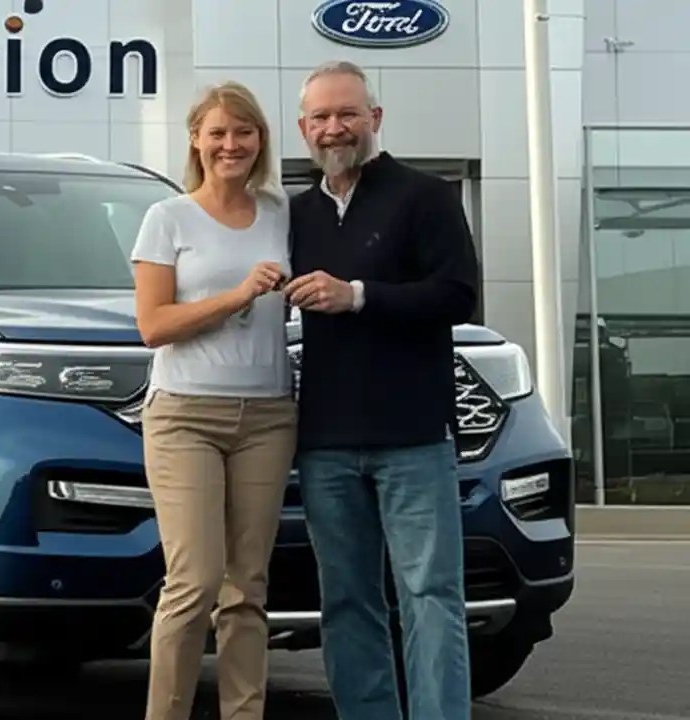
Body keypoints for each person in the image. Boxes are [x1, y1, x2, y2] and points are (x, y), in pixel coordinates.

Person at [284, 60, 480, 720]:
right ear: (303, 127)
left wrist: (357, 296)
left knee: (430, 597)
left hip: (414, 438)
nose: (334, 128)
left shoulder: (426, 197)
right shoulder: (296, 215)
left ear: (375, 117)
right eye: (321, 117)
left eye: (347, 113)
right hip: (325, 445)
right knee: (346, 602)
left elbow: (459, 295)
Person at [130, 80, 296, 720]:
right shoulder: (168, 218)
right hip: (185, 416)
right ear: (196, 140)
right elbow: (153, 326)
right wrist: (238, 295)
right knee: (194, 584)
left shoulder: (282, 213)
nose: (232, 144)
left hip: (268, 416)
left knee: (247, 587)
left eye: (244, 132)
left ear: (260, 140)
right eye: (218, 132)